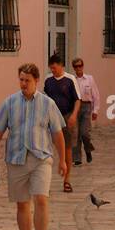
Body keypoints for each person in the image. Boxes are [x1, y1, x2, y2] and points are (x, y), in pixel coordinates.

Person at [0, 63, 66, 230]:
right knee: (22, 204)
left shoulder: (48, 104)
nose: (23, 84)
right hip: (16, 159)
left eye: (27, 80)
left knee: (41, 199)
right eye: (21, 80)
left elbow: (57, 133)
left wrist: (63, 160)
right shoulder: (10, 103)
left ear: (36, 81)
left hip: (41, 158)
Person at [44, 53, 80, 193]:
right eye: (51, 68)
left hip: (66, 117)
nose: (53, 70)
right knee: (48, 148)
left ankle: (67, 179)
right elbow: (45, 98)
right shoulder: (48, 81)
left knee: (67, 148)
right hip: (51, 119)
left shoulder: (70, 80)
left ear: (61, 66)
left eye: (54, 68)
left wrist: (74, 116)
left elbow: (77, 100)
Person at [71, 58, 99, 166]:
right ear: (74, 68)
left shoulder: (89, 79)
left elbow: (96, 95)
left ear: (83, 66)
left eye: (80, 66)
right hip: (75, 107)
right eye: (76, 66)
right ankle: (77, 158)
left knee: (84, 132)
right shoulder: (72, 80)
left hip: (87, 107)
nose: (78, 68)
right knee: (75, 133)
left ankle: (88, 149)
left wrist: (95, 110)